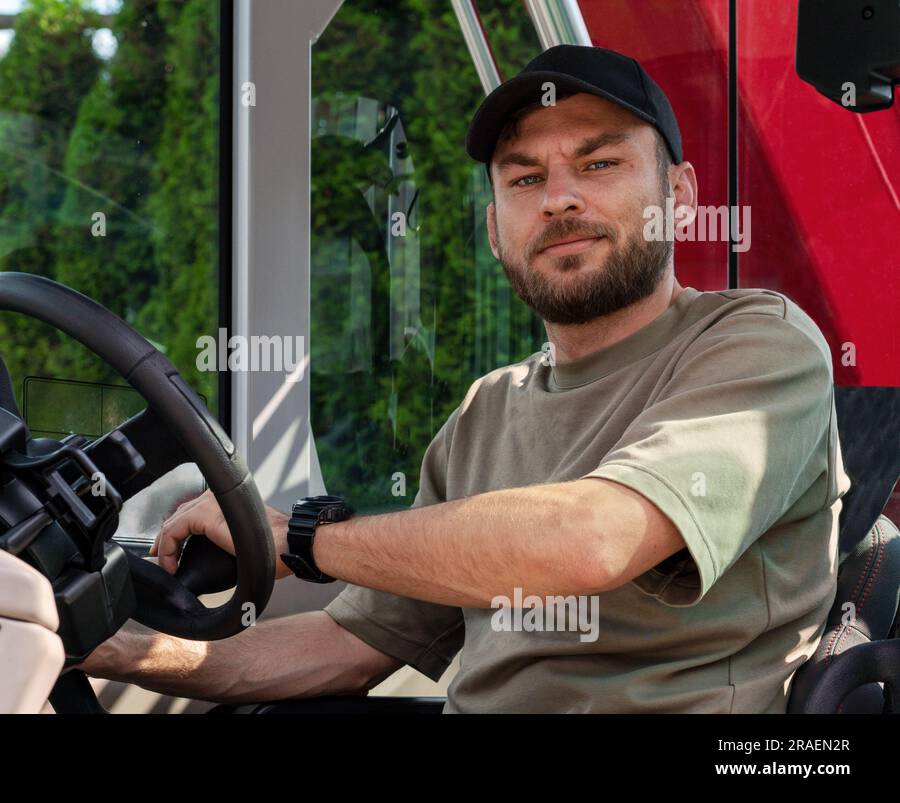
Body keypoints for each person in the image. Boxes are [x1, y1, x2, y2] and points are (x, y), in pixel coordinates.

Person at [81, 45, 849, 713]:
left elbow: (590, 540)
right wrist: (111, 649)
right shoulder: (486, 412)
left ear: (677, 197)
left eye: (600, 163)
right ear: (494, 230)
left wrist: (303, 538)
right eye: (523, 179)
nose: (559, 199)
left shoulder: (758, 344)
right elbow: (349, 643)